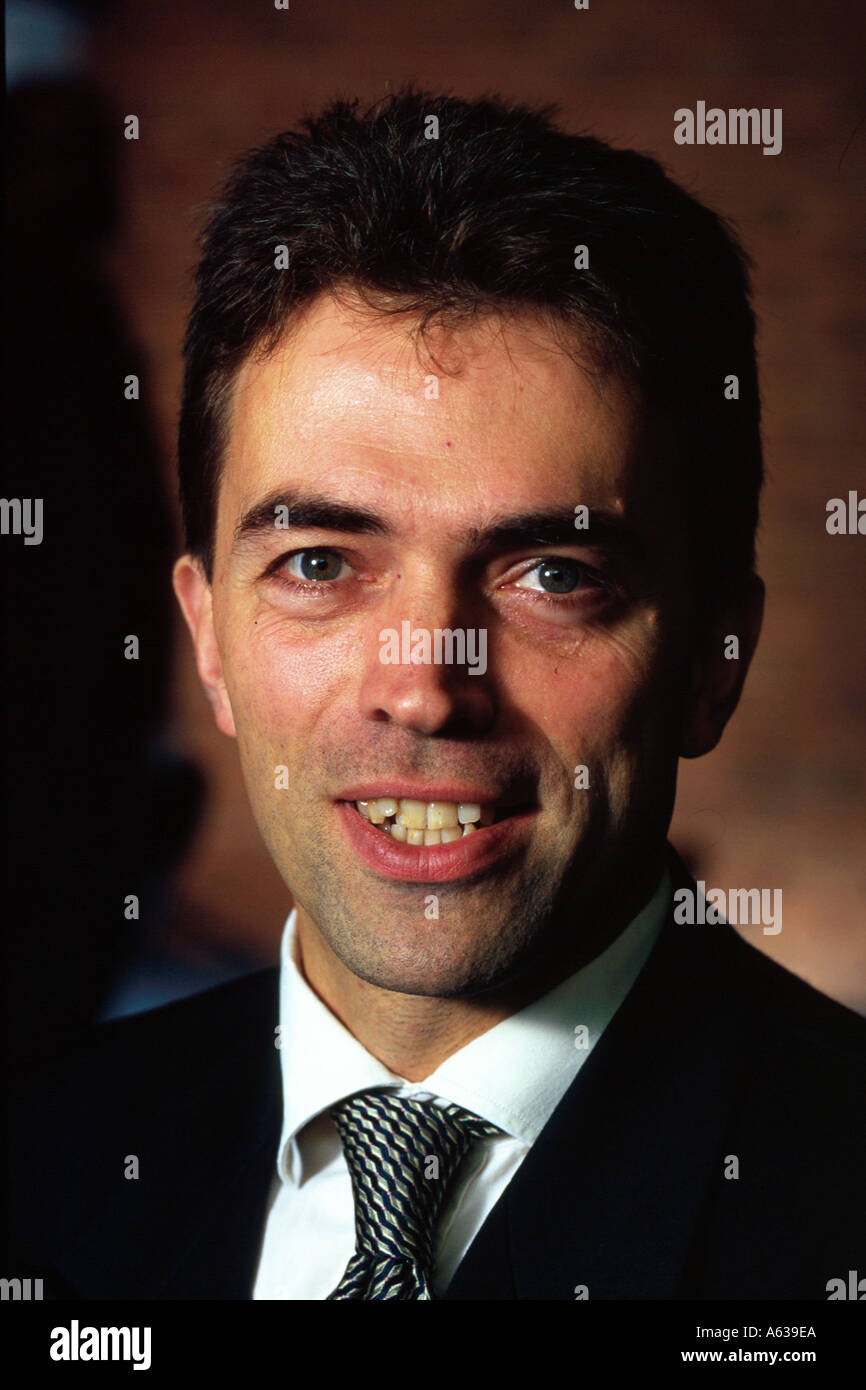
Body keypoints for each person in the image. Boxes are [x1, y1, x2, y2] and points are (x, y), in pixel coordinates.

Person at [9, 87, 864, 1302]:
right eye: (318, 564)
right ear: (206, 637)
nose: (422, 689)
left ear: (713, 657)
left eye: (551, 576)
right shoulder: (43, 1159)